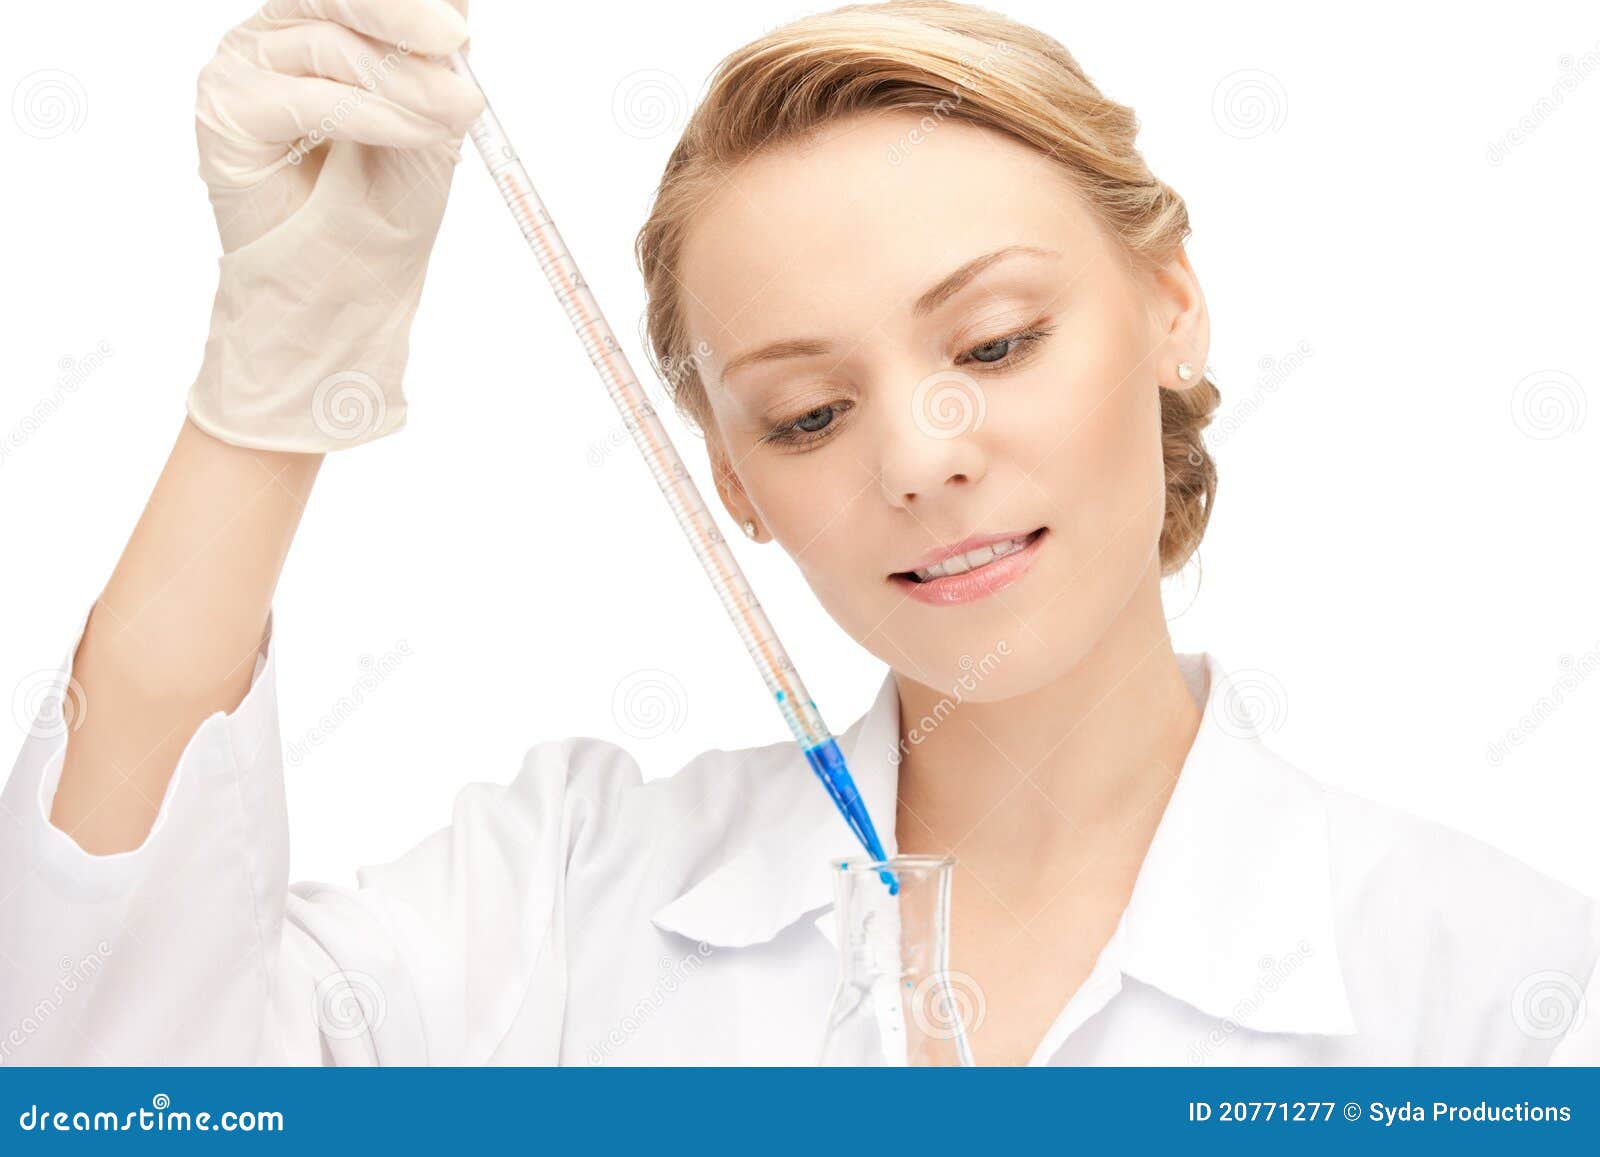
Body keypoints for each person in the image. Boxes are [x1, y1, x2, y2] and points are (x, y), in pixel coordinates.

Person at [3, 0, 1596, 1067]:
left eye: (993, 344)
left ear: (1169, 305)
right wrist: (279, 390)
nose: (923, 456)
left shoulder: (1495, 987)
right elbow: (102, 1066)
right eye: (808, 415)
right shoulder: (576, 898)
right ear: (734, 486)